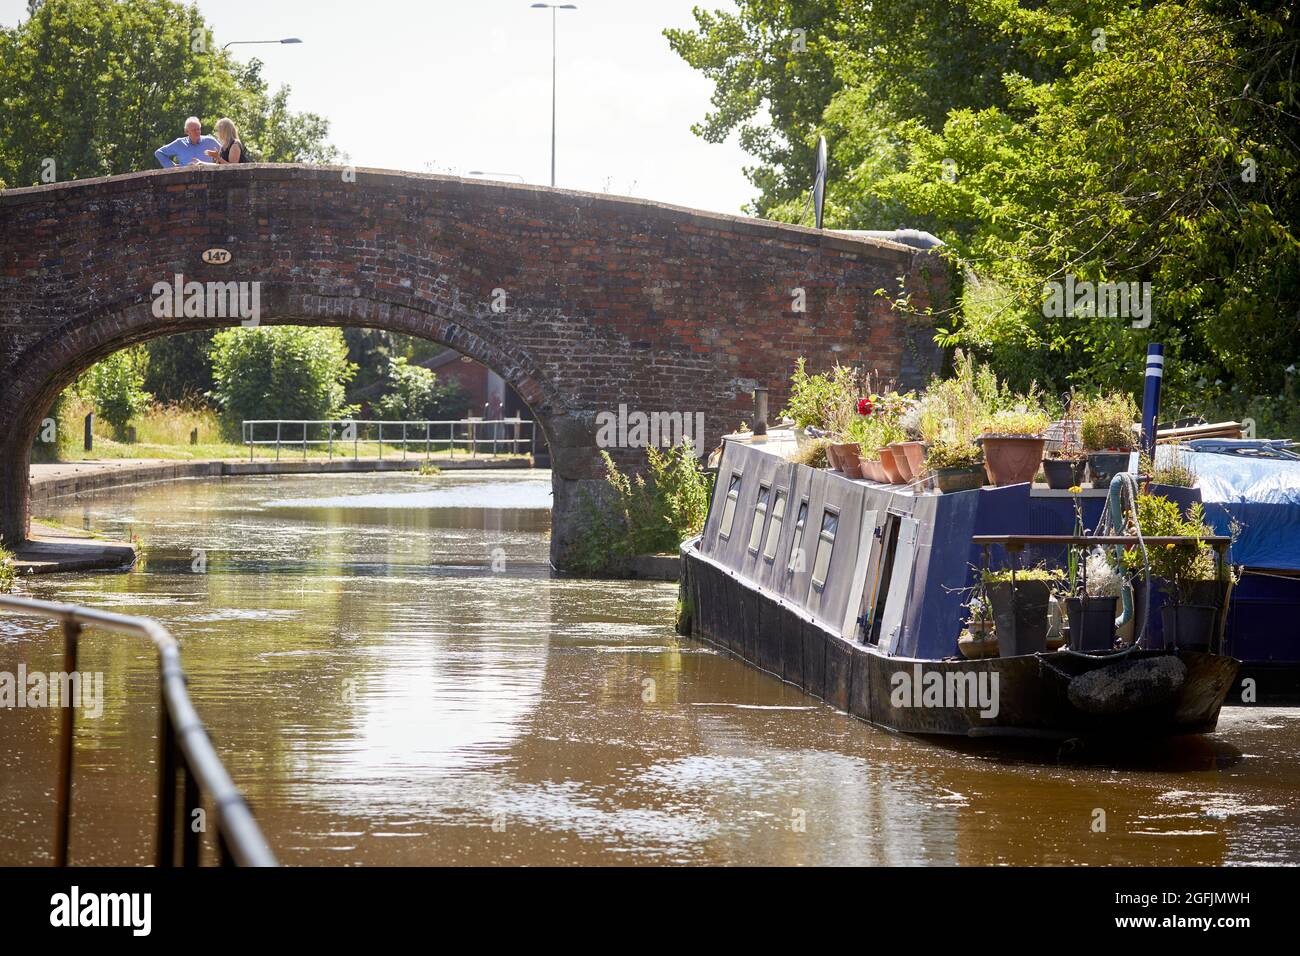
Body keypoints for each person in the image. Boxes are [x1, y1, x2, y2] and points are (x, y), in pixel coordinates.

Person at [154, 117, 220, 168]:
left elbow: (225, 152)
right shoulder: (179, 143)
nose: (197, 132)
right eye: (194, 130)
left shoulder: (210, 141)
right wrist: (173, 167)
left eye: (198, 129)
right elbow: (159, 153)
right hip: (186, 182)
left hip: (209, 180)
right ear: (187, 131)